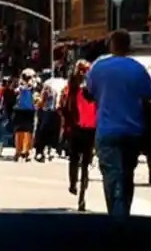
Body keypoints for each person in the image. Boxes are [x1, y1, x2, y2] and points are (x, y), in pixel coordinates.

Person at [84, 30, 151, 219]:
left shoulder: (99, 67)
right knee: (127, 173)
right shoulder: (138, 69)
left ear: (111, 45)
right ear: (128, 46)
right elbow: (149, 95)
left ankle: (115, 213)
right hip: (132, 130)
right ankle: (124, 211)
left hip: (107, 130)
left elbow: (89, 93)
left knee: (111, 174)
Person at [58, 59, 96, 212]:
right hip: (91, 129)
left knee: (74, 159)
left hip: (75, 128)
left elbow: (63, 107)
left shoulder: (71, 88)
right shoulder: (95, 89)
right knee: (86, 163)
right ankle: (82, 196)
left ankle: (73, 184)